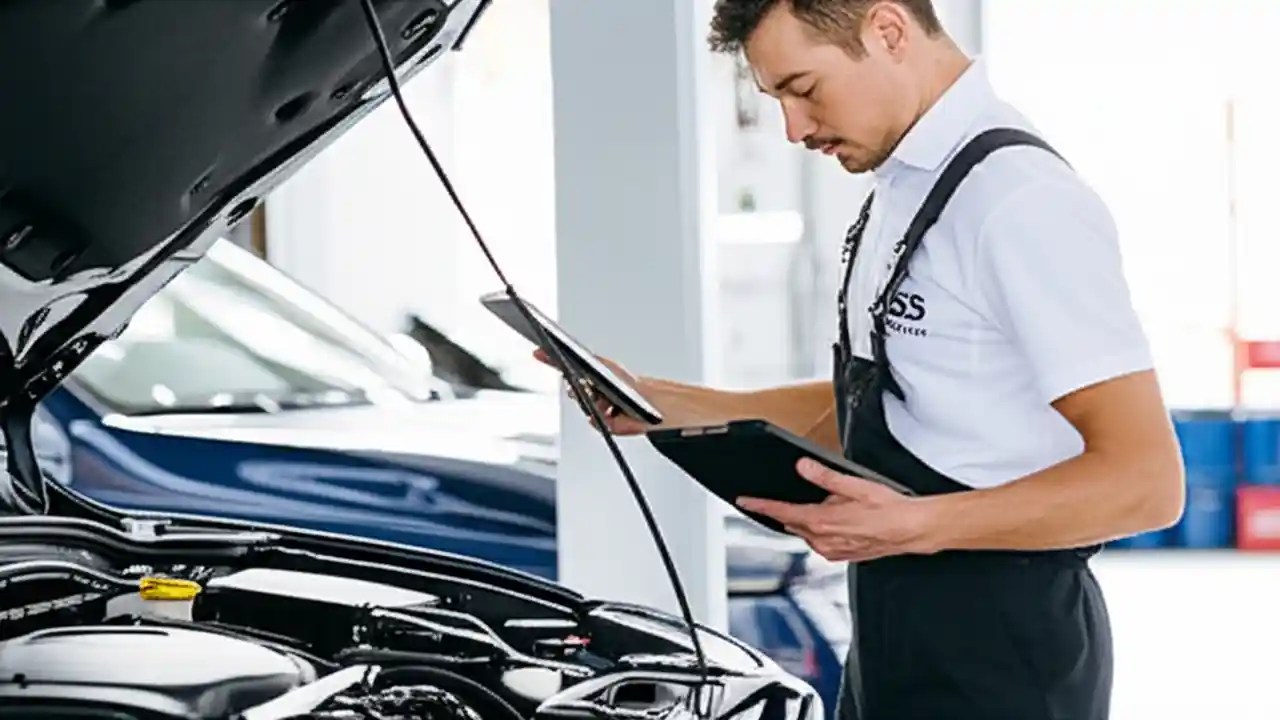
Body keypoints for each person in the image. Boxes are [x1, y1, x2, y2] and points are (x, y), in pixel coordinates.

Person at [539, 1, 1186, 718]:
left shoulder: (1019, 203)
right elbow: (884, 403)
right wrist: (663, 403)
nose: (794, 129)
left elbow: (1147, 482)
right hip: (892, 642)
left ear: (887, 31)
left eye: (804, 89)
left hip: (1004, 660)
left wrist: (913, 524)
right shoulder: (904, 187)